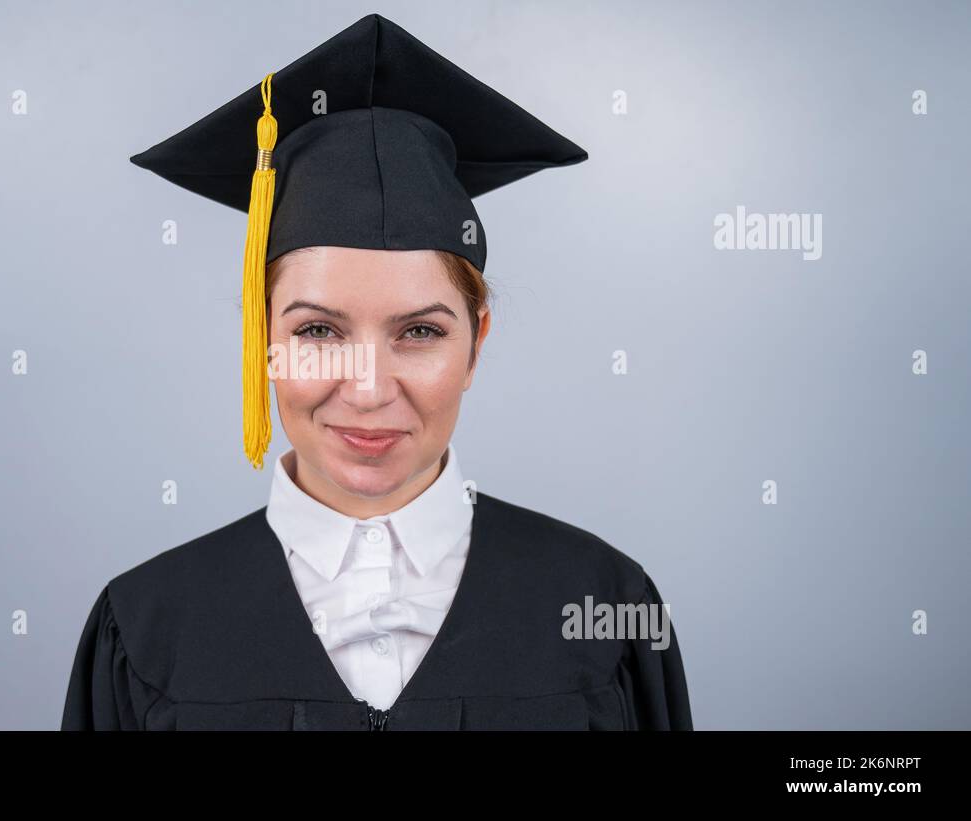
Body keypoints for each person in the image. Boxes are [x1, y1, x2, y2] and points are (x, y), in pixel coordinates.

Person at [61, 13, 692, 730]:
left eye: (419, 331)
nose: (366, 388)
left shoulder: (607, 609)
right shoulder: (145, 628)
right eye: (319, 330)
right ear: (262, 339)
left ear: (476, 346)